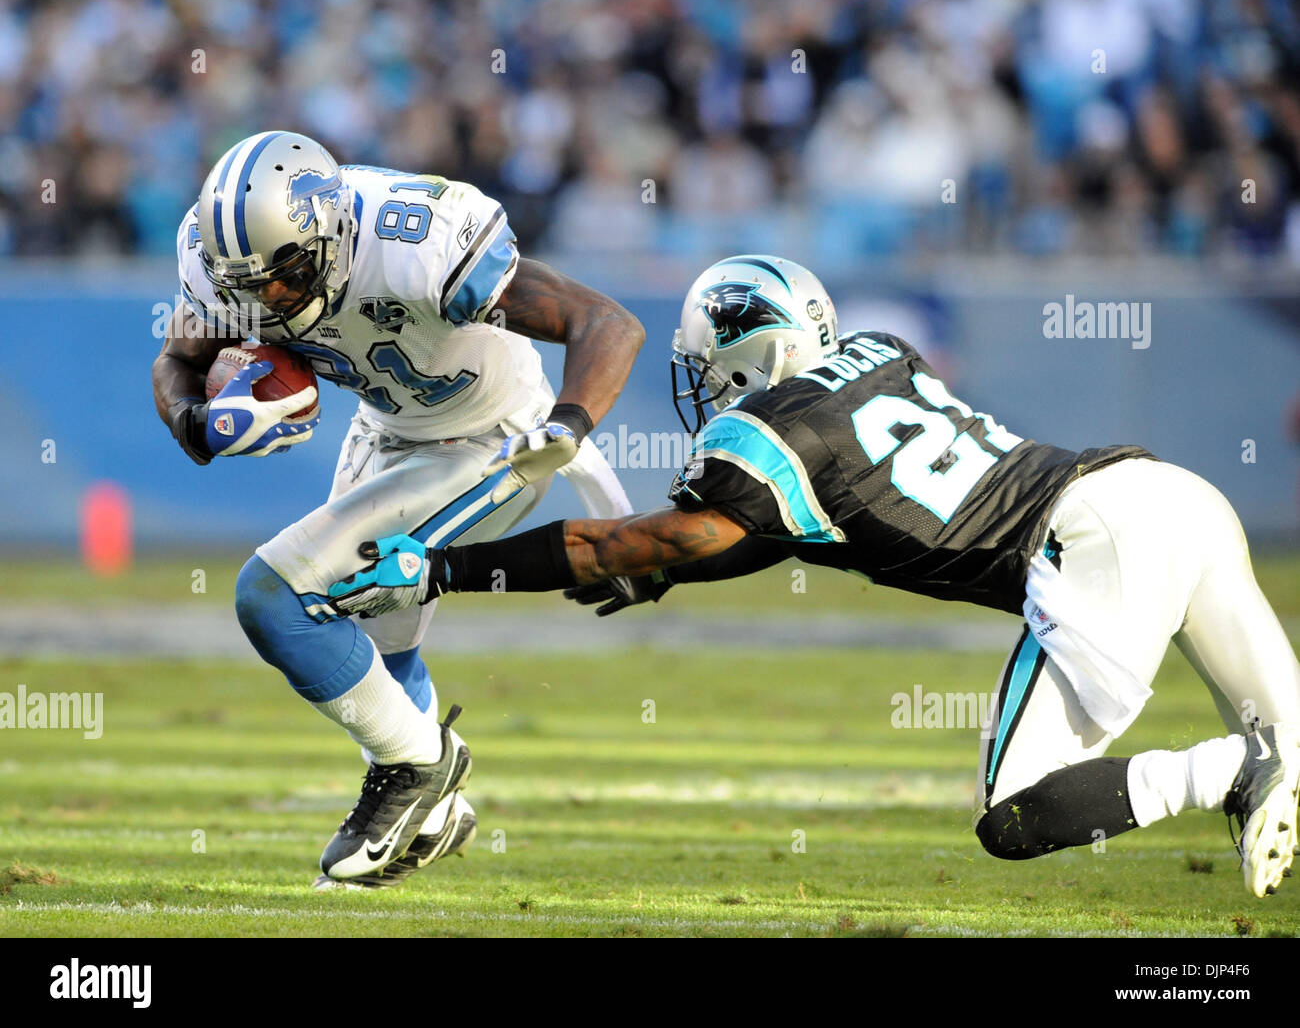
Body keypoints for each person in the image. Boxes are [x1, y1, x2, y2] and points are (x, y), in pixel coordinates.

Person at [328, 253, 1300, 898]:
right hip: (1166, 492)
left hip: (1091, 548)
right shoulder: (880, 355)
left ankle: (1223, 764)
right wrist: (673, 567)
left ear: (751, 350)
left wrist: (445, 565)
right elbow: (797, 528)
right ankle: (1259, 760)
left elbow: (622, 545)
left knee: (1015, 813)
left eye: (712, 366)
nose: (707, 387)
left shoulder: (767, 430)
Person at [151, 130, 644, 888]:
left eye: (286, 273)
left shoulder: (410, 238)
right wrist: (198, 423)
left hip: (492, 437)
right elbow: (179, 361)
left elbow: (607, 323)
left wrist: (567, 429)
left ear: (330, 228)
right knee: (368, 640)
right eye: (247, 285)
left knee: (276, 594)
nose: (269, 300)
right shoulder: (229, 265)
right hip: (388, 428)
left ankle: (420, 766)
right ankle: (437, 815)